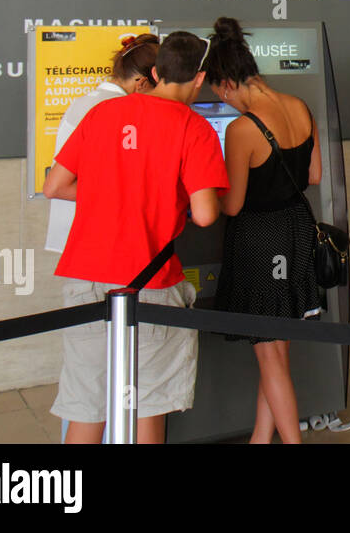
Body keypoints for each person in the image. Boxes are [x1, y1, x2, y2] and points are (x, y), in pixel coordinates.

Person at [42, 31, 226, 444]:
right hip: (150, 280)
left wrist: (113, 196)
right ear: (199, 79)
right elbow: (205, 213)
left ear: (156, 72)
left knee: (88, 406)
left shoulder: (102, 114)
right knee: (148, 406)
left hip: (84, 275)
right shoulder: (193, 128)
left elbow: (56, 184)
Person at [203, 16, 322, 445]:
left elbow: (232, 204)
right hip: (295, 231)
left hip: (259, 239)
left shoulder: (241, 129)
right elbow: (315, 173)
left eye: (218, 93)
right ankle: (260, 438)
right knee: (277, 349)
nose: (223, 101)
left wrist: (201, 194)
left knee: (269, 354)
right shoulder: (300, 107)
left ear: (225, 84)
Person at [45, 33, 159, 255]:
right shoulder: (112, 109)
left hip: (85, 235)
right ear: (142, 83)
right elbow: (58, 186)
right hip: (96, 237)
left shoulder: (89, 101)